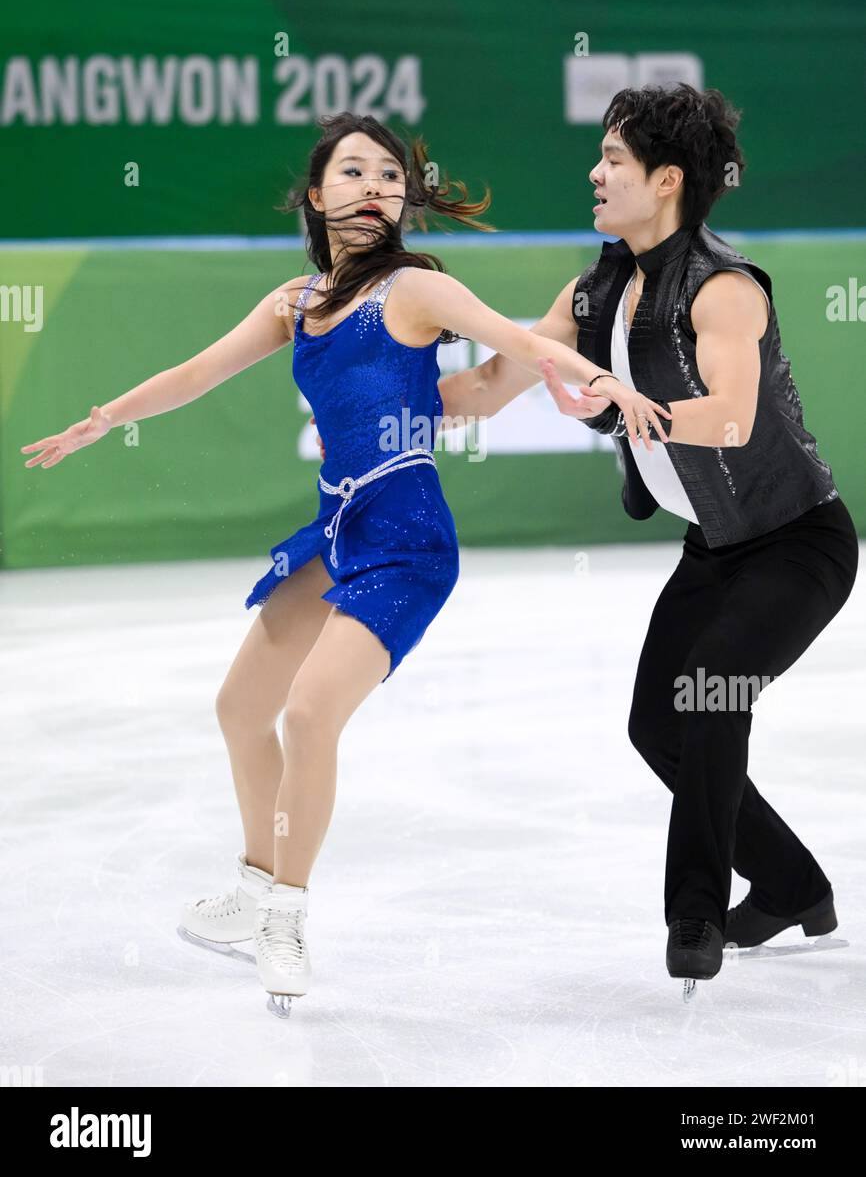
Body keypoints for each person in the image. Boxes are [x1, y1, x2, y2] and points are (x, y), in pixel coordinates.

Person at [21, 112, 668, 1017]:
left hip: (407, 545)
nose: (378, 187)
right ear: (318, 194)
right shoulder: (295, 303)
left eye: (393, 177)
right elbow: (199, 372)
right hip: (334, 532)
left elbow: (513, 343)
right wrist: (103, 415)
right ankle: (253, 889)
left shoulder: (412, 288)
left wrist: (602, 380)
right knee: (239, 708)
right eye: (356, 172)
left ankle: (288, 912)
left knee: (308, 713)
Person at [437, 84, 858, 985]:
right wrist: (380, 405)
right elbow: (481, 390)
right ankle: (791, 884)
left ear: (666, 180)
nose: (594, 172)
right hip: (713, 552)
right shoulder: (592, 294)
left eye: (615, 161)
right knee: (654, 727)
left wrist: (630, 407)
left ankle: (695, 919)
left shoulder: (726, 289)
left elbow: (734, 420)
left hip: (799, 545)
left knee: (708, 699)